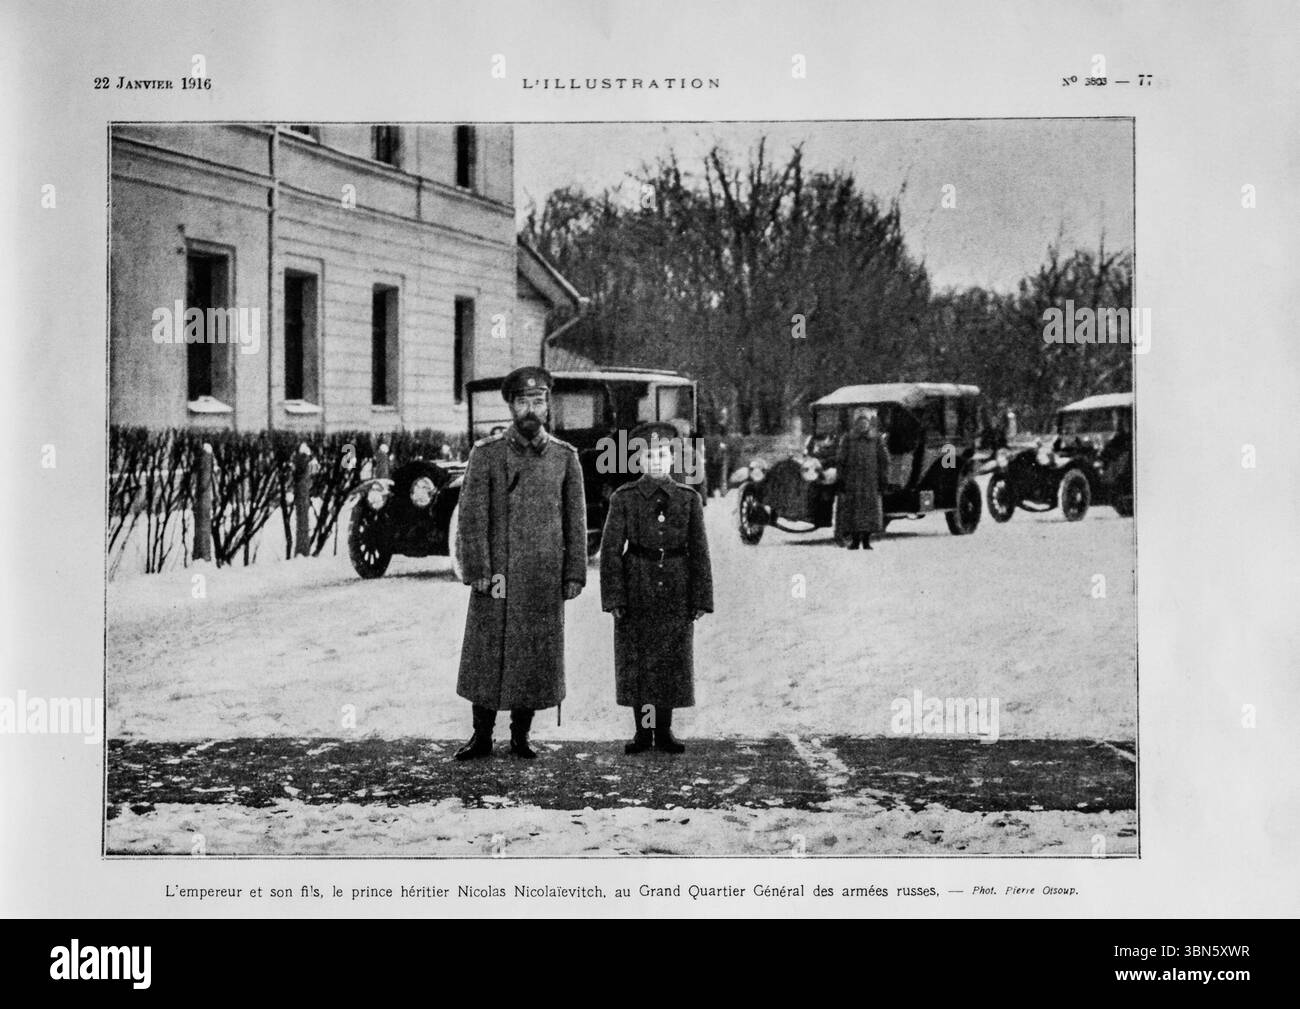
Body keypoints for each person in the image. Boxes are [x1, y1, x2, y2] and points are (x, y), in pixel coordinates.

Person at [453, 366, 587, 760]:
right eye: (524, 401)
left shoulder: (565, 458)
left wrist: (574, 572)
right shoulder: (487, 455)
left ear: (547, 406)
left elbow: (575, 522)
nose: (532, 409)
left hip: (542, 579)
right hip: (497, 576)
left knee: (532, 657)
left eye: (539, 401)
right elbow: (471, 516)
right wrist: (478, 569)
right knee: (487, 654)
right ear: (511, 406)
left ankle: (521, 736)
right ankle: (481, 736)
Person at [600, 423, 713, 754]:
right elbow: (610, 552)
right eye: (648, 455)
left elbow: (700, 551)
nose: (656, 461)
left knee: (671, 662)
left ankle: (664, 732)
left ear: (672, 458)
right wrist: (615, 598)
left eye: (662, 454)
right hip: (638, 588)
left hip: (676, 588)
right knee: (639, 662)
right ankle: (642, 733)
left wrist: (701, 597)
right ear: (637, 460)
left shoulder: (688, 499)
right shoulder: (624, 498)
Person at [834, 406, 890, 550]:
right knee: (852, 512)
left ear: (869, 423)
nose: (862, 424)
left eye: (865, 421)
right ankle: (854, 541)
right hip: (852, 482)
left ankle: (866, 540)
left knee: (869, 512)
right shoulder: (848, 439)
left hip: (871, 482)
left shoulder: (876, 439)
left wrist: (883, 479)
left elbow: (884, 460)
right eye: (860, 421)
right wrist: (841, 478)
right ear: (855, 423)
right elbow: (841, 460)